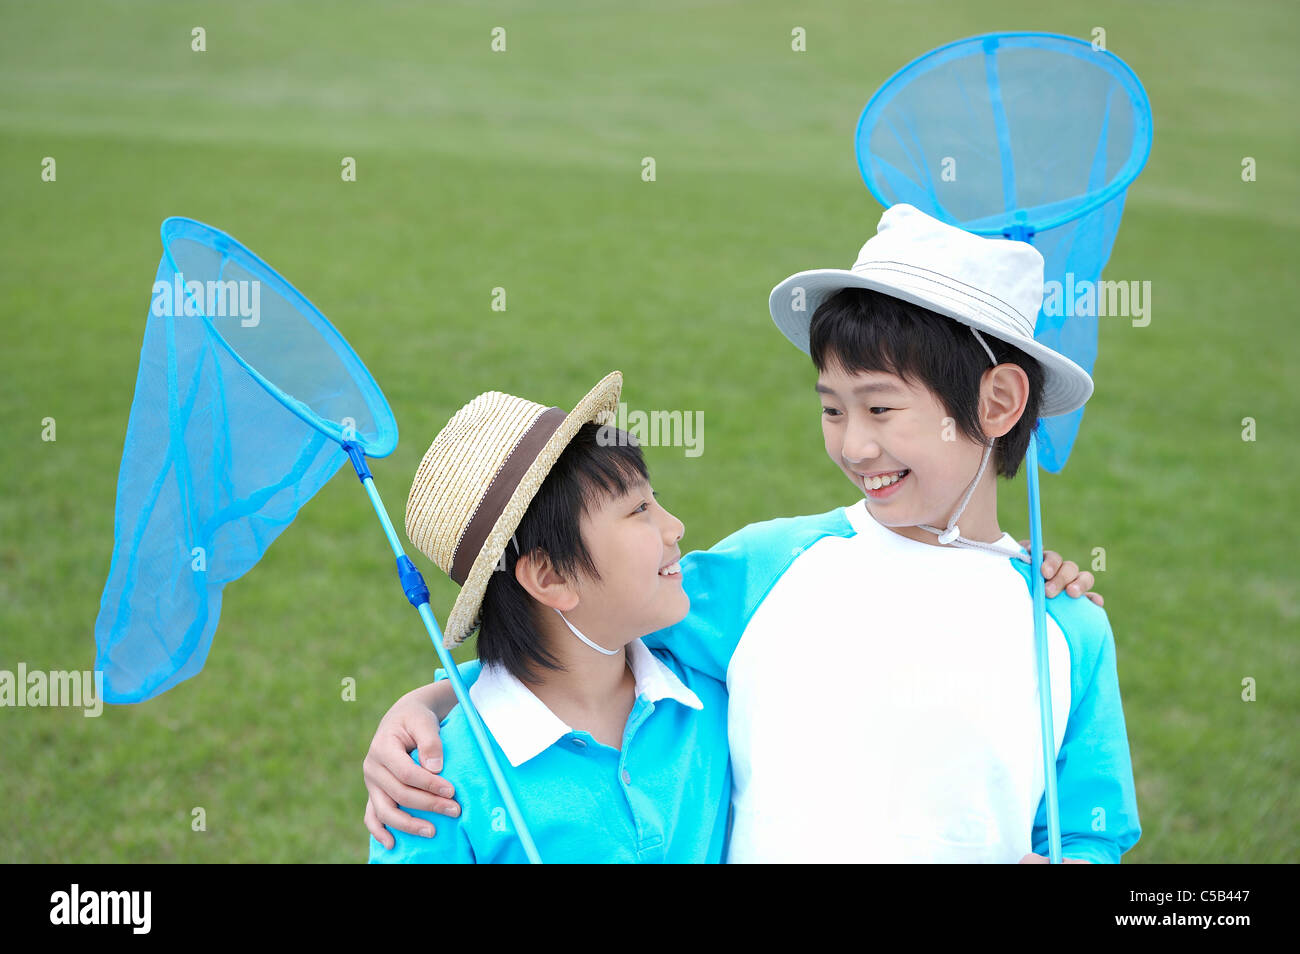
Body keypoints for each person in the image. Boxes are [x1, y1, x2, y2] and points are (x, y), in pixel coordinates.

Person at [365, 205, 1134, 863]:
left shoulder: (1067, 628)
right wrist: (431, 703)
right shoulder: (765, 571)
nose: (853, 445)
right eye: (833, 409)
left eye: (881, 408)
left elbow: (1092, 829)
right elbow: (583, 638)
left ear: (998, 403)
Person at [368, 372, 731, 862]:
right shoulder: (434, 787)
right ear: (551, 576)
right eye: (639, 509)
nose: (674, 527)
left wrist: (435, 696)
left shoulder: (707, 669)